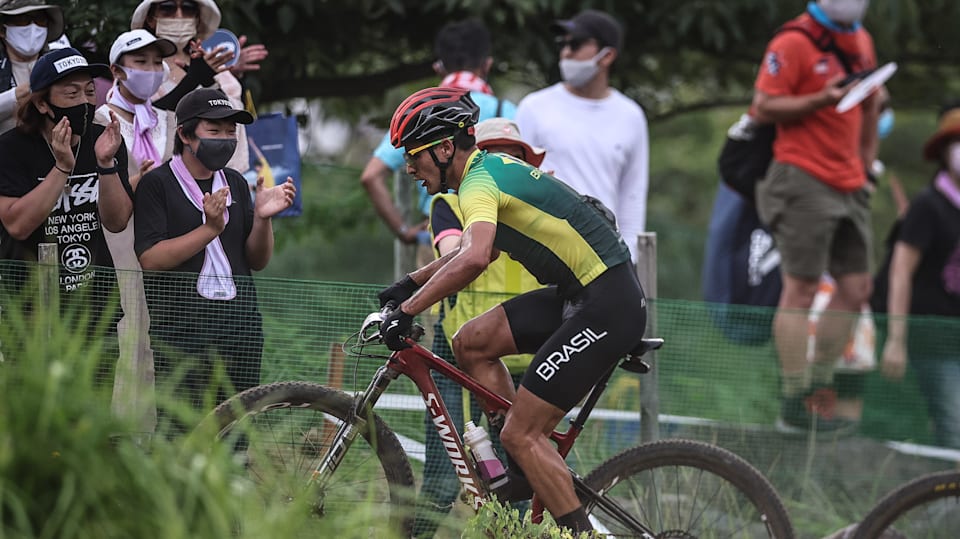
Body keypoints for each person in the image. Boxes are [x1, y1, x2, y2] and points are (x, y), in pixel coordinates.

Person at [378, 87, 647, 535]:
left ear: (446, 148)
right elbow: (471, 250)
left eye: (414, 155)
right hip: (580, 294)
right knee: (471, 342)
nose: (408, 168)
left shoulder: (479, 182)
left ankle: (561, 510)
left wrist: (407, 309)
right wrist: (408, 285)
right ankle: (519, 465)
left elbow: (476, 257)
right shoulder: (488, 173)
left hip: (606, 304)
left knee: (522, 433)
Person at [752, 0, 880, 433]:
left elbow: (870, 105)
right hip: (802, 175)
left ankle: (820, 385)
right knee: (802, 288)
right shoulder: (793, 41)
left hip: (851, 181)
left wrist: (867, 166)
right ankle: (794, 397)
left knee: (856, 288)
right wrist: (821, 99)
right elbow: (763, 105)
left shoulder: (861, 39)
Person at [413, 117, 544, 538]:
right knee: (440, 477)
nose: (505, 161)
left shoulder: (538, 206)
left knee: (520, 479)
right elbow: (456, 251)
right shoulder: (451, 205)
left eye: (515, 155)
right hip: (460, 360)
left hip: (529, 359)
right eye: (496, 153)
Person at [133, 88, 295, 416]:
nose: (225, 138)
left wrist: (263, 220)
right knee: (180, 429)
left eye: (230, 131)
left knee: (237, 429)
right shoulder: (158, 183)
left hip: (240, 327)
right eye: (214, 130)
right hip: (181, 330)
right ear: (185, 133)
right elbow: (150, 259)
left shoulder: (234, 182)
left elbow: (256, 261)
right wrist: (209, 230)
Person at [360, 18, 517, 249]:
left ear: (439, 67)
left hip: (437, 234)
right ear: (487, 65)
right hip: (499, 236)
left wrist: (405, 232)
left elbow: (371, 176)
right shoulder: (507, 112)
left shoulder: (421, 114)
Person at [0, 47, 132, 312]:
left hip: (95, 299)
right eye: (72, 93)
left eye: (90, 91)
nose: (84, 101)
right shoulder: (11, 147)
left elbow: (117, 222)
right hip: (28, 305)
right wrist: (61, 168)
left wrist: (106, 164)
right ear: (42, 103)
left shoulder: (104, 140)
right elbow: (17, 226)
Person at [94, 29, 178, 437]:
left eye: (155, 63)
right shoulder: (97, 120)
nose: (150, 70)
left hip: (163, 247)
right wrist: (131, 181)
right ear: (116, 70)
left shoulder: (171, 121)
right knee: (125, 332)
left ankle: (155, 439)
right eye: (139, 63)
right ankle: (117, 438)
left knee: (159, 338)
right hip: (116, 245)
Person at [515, 9, 648, 262]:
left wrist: (629, 257)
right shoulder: (534, 107)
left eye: (575, 44)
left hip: (604, 256)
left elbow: (632, 194)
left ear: (607, 55)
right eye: (562, 44)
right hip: (542, 254)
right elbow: (515, 183)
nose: (566, 52)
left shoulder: (631, 116)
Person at [880, 104, 960, 449]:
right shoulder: (929, 205)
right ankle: (944, 501)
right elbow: (900, 272)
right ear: (944, 152)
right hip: (932, 337)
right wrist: (896, 339)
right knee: (953, 422)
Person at [130, 0, 268, 173]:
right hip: (163, 182)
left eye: (188, 8)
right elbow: (141, 120)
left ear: (198, 17)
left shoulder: (216, 68)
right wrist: (193, 80)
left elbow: (233, 123)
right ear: (150, 17)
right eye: (168, 8)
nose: (179, 16)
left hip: (222, 180)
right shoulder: (137, 69)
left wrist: (215, 79)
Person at [0, 0, 63, 134]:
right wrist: (17, 95)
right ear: (2, 30)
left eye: (40, 20)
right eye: (22, 20)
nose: (33, 27)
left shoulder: (58, 65)